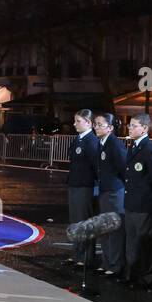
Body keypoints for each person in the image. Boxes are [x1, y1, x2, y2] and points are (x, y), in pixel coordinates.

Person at [121, 113, 152, 291]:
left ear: (145, 128)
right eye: (129, 125)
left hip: (145, 205)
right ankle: (133, 274)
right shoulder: (134, 147)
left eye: (134, 125)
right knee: (132, 242)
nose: (129, 128)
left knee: (144, 243)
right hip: (132, 203)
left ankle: (148, 277)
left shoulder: (150, 150)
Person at [66, 109, 100, 272]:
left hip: (85, 186)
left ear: (88, 122)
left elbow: (95, 166)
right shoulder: (78, 139)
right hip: (75, 184)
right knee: (75, 221)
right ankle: (77, 254)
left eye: (78, 121)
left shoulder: (91, 141)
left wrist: (95, 186)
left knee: (83, 221)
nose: (74, 124)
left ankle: (86, 257)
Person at [93, 112, 126, 276]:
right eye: (95, 124)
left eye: (100, 124)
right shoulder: (102, 143)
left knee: (114, 230)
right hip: (105, 191)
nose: (96, 127)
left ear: (110, 128)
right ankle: (106, 262)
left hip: (114, 192)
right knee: (105, 228)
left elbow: (123, 168)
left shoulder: (115, 144)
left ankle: (115, 265)